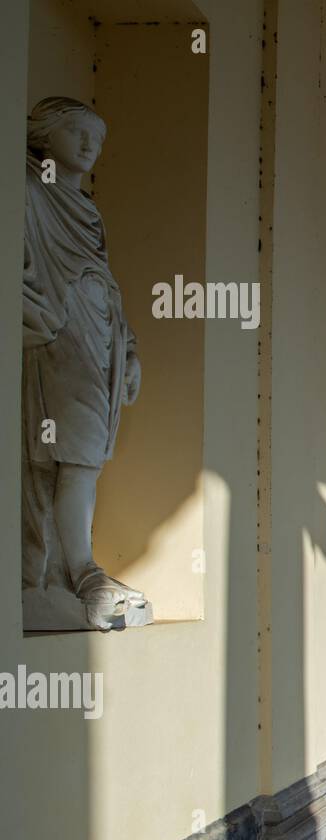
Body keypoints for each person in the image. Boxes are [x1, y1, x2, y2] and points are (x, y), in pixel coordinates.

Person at [22, 96, 148, 628]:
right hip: (59, 336)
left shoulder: (88, 212)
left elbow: (108, 284)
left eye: (97, 134)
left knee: (86, 457)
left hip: (100, 342)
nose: (90, 143)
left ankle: (72, 572)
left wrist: (131, 347)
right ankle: (68, 572)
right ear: (45, 137)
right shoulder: (28, 191)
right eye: (77, 131)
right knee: (69, 456)